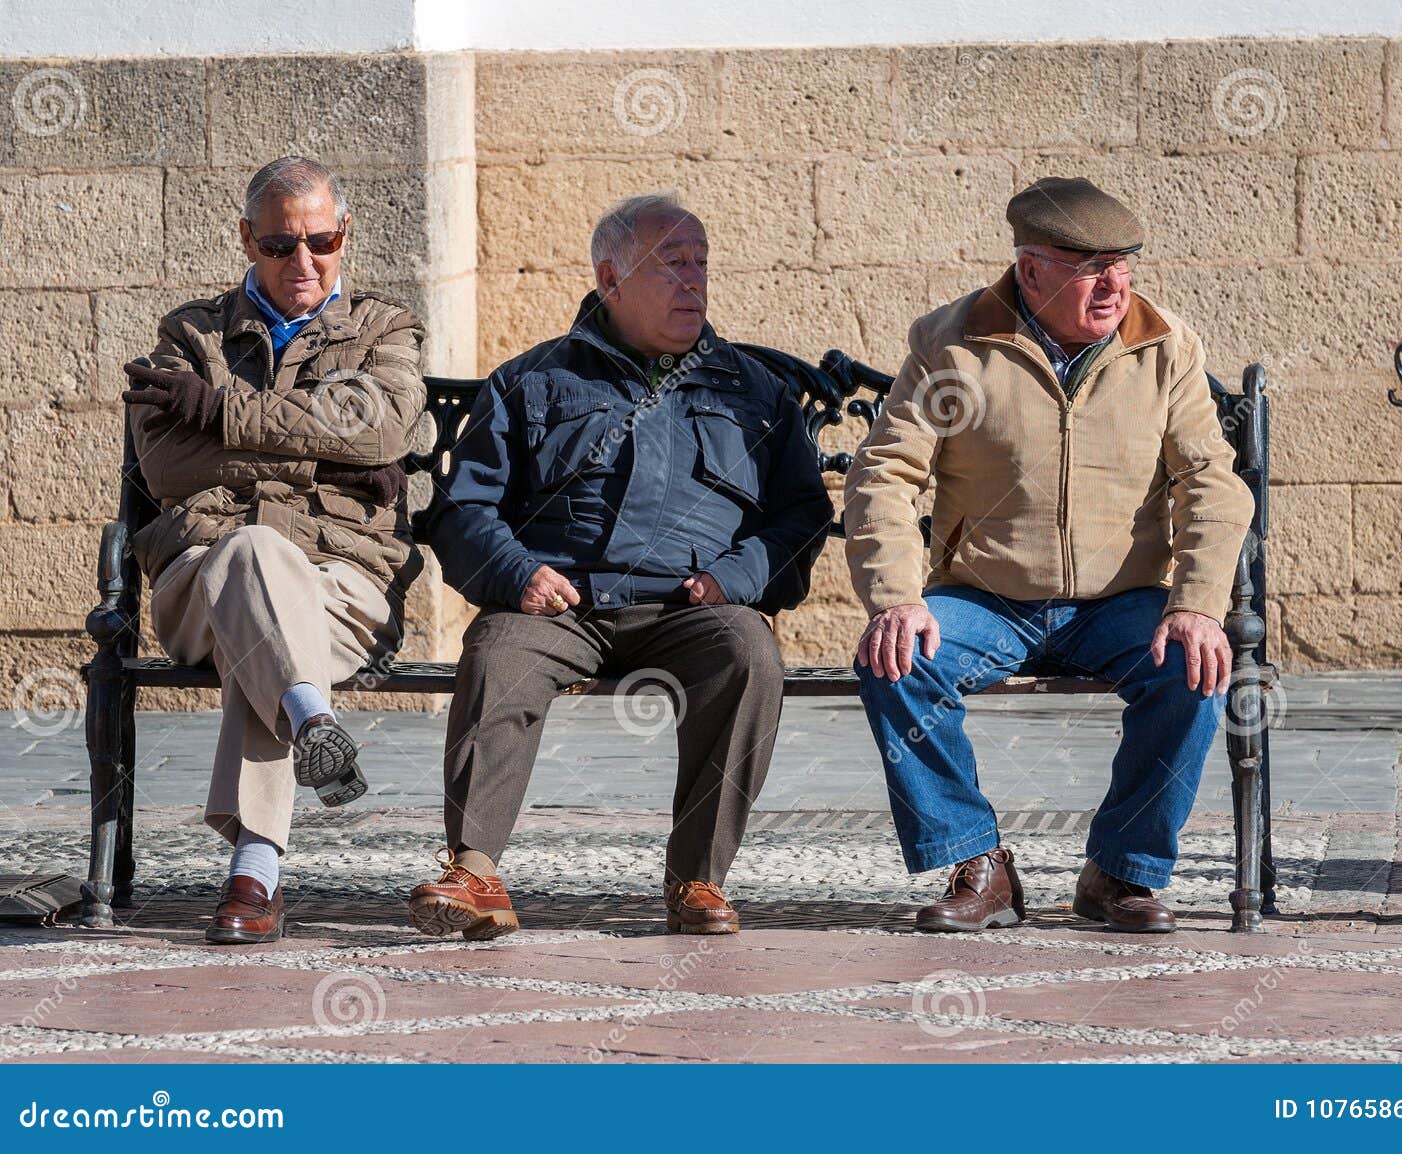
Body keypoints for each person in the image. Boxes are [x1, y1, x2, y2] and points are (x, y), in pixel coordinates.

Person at [408, 192, 833, 939]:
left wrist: (736, 578)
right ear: (609, 279)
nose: (694, 282)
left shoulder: (753, 391)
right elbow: (464, 510)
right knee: (497, 650)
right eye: (672, 265)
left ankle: (697, 878)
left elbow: (801, 513)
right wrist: (517, 575)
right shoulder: (534, 381)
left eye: (702, 264)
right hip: (559, 605)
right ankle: (474, 871)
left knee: (749, 653)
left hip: (693, 608)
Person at [844, 177, 1254, 934]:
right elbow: (886, 474)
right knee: (893, 658)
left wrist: (1197, 604)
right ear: (1031, 269)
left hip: (1122, 598)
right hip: (986, 596)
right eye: (1089, 266)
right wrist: (897, 597)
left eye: (1123, 264)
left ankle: (1121, 872)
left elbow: (1211, 484)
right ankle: (978, 862)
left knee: (1194, 672)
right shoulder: (952, 343)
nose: (1114, 284)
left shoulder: (1165, 348)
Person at [123, 156, 426, 944]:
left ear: (344, 233)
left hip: (341, 581)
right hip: (199, 570)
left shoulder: (383, 329)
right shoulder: (189, 335)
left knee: (261, 629)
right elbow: (167, 466)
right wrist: (329, 457)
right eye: (279, 245)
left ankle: (255, 872)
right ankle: (310, 724)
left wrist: (222, 412)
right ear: (246, 241)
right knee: (250, 556)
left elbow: (384, 428)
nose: (303, 262)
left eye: (321, 241)